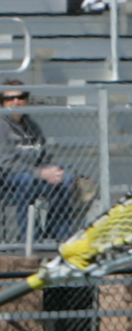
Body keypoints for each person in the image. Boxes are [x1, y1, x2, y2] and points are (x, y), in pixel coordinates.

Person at [0, 83, 79, 244]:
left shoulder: (32, 126)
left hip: (34, 175)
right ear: (3, 102)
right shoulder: (2, 125)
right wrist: (40, 173)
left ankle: (58, 238)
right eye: (10, 98)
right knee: (25, 181)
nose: (16, 101)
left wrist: (53, 170)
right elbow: (6, 163)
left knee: (66, 180)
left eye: (21, 97)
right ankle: (30, 240)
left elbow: (44, 157)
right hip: (7, 179)